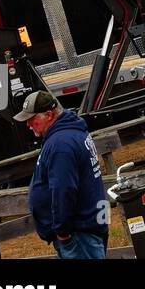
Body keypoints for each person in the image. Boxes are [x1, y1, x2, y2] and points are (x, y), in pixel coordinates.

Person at [16, 91, 109, 259]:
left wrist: (62, 231)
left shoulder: (61, 144)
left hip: (78, 232)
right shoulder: (71, 133)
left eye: (31, 119)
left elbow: (64, 190)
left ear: (49, 115)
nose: (28, 125)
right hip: (86, 226)